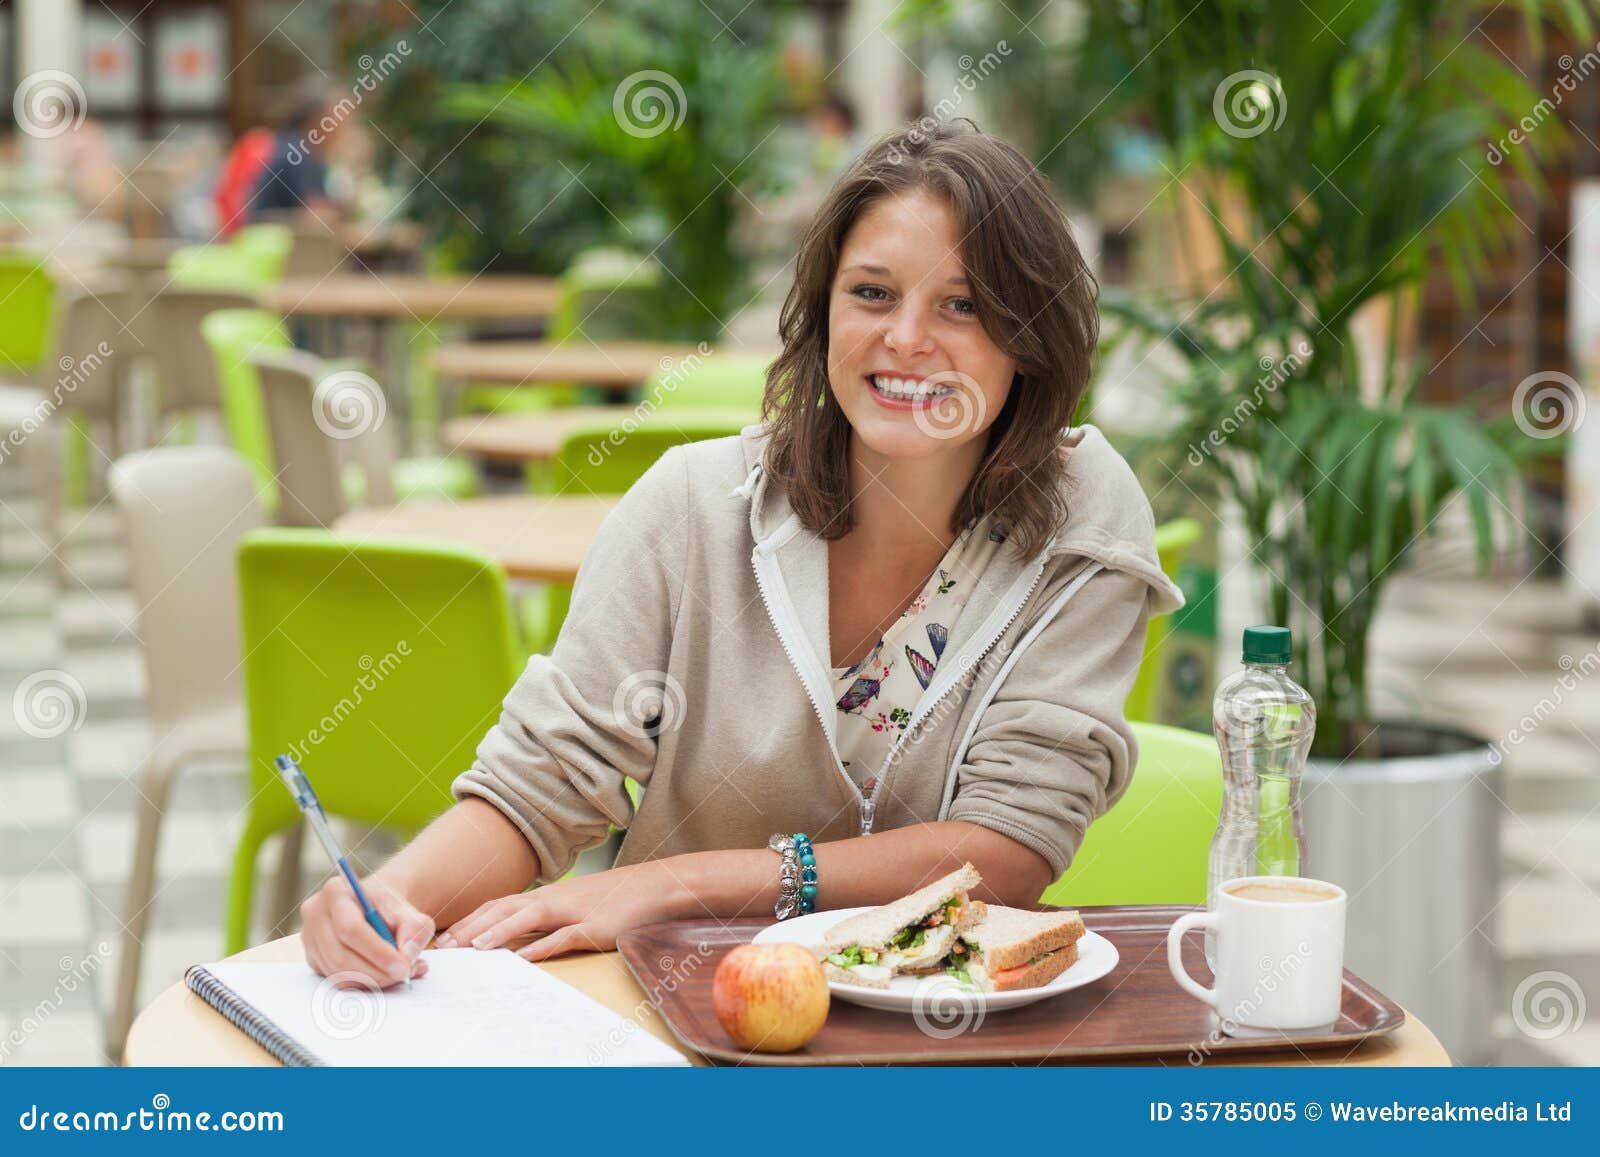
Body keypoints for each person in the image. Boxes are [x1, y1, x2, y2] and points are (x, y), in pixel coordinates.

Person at [299, 118, 1183, 987]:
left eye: (962, 304)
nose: (907, 337)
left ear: (1029, 335)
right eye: (872, 292)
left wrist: (678, 882)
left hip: (941, 1043)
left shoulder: (1083, 524)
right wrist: (388, 893)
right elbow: (545, 782)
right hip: (675, 1016)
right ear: (822, 310)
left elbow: (1007, 852)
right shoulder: (691, 505)